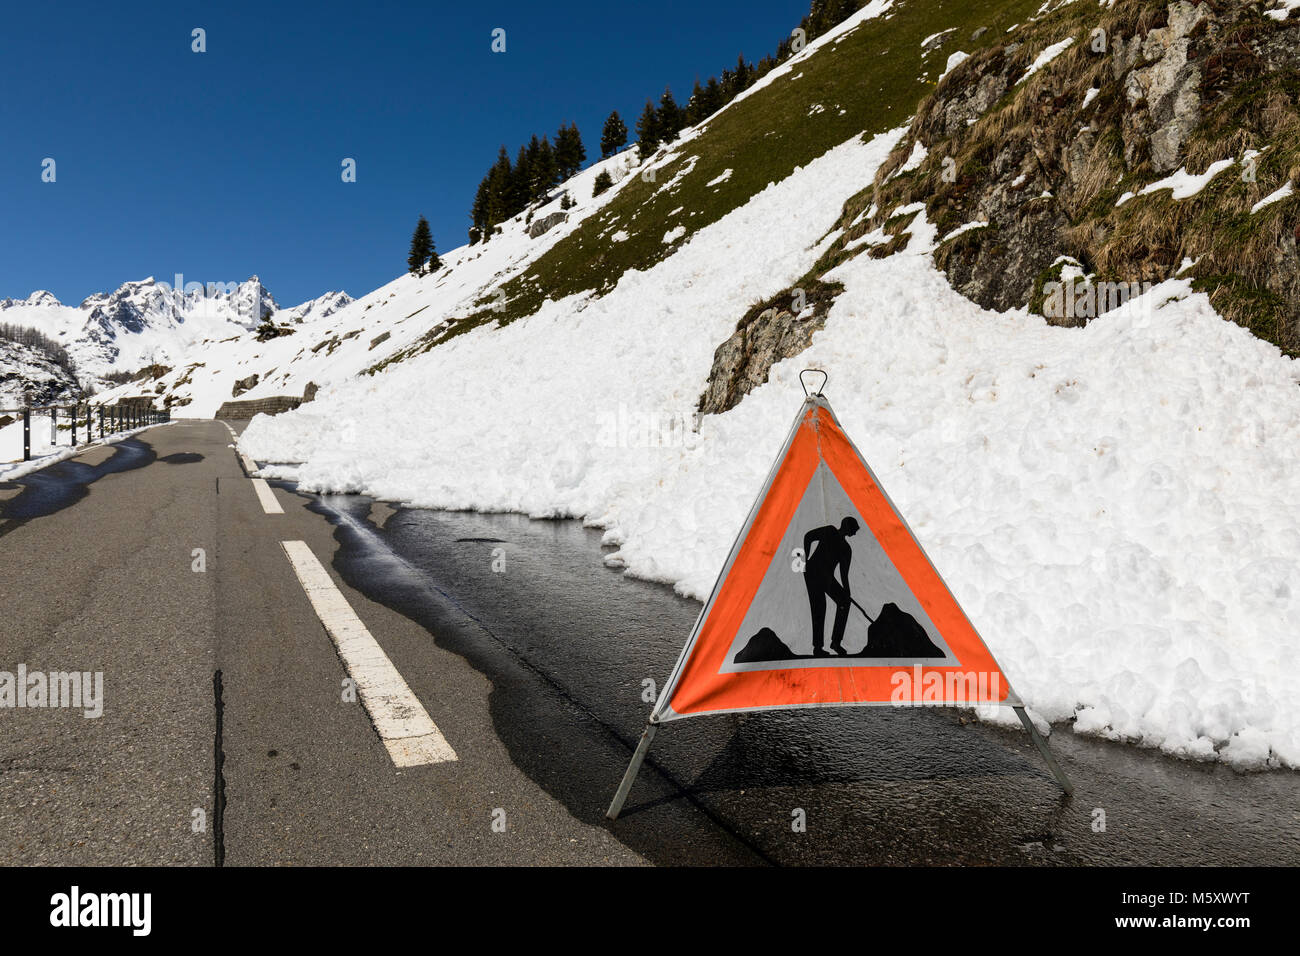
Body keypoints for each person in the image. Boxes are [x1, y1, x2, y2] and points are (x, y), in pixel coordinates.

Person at [802, 516, 859, 656]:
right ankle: (818, 647)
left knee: (845, 602)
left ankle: (836, 642)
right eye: (854, 529)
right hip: (813, 573)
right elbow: (808, 536)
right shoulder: (830, 531)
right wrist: (806, 559)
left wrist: (847, 593)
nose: (855, 533)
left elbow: (844, 574)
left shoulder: (846, 549)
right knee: (819, 608)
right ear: (847, 526)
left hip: (827, 578)